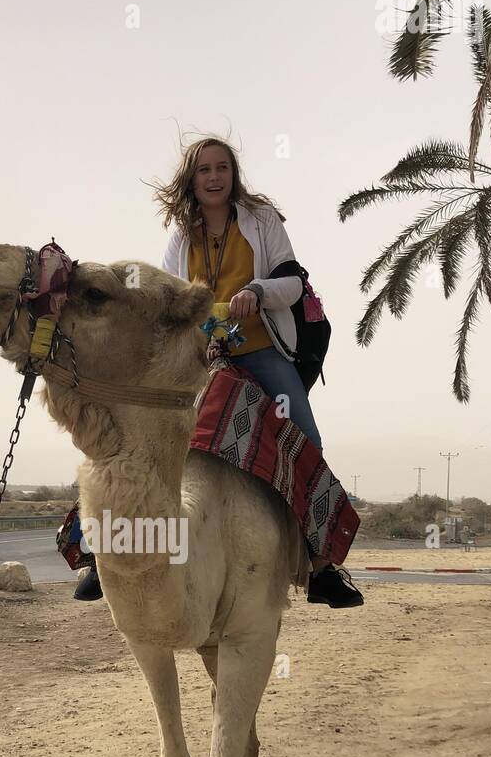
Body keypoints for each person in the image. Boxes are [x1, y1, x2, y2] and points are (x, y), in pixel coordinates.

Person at [155, 135, 362, 608]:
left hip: (261, 349)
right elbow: (167, 301)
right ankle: (97, 554)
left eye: (221, 168)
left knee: (306, 437)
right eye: (204, 169)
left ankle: (322, 566)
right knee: (145, 426)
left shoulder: (261, 220)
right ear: (192, 178)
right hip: (201, 356)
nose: (213, 177)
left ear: (233, 173)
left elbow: (294, 282)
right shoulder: (179, 237)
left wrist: (257, 290)